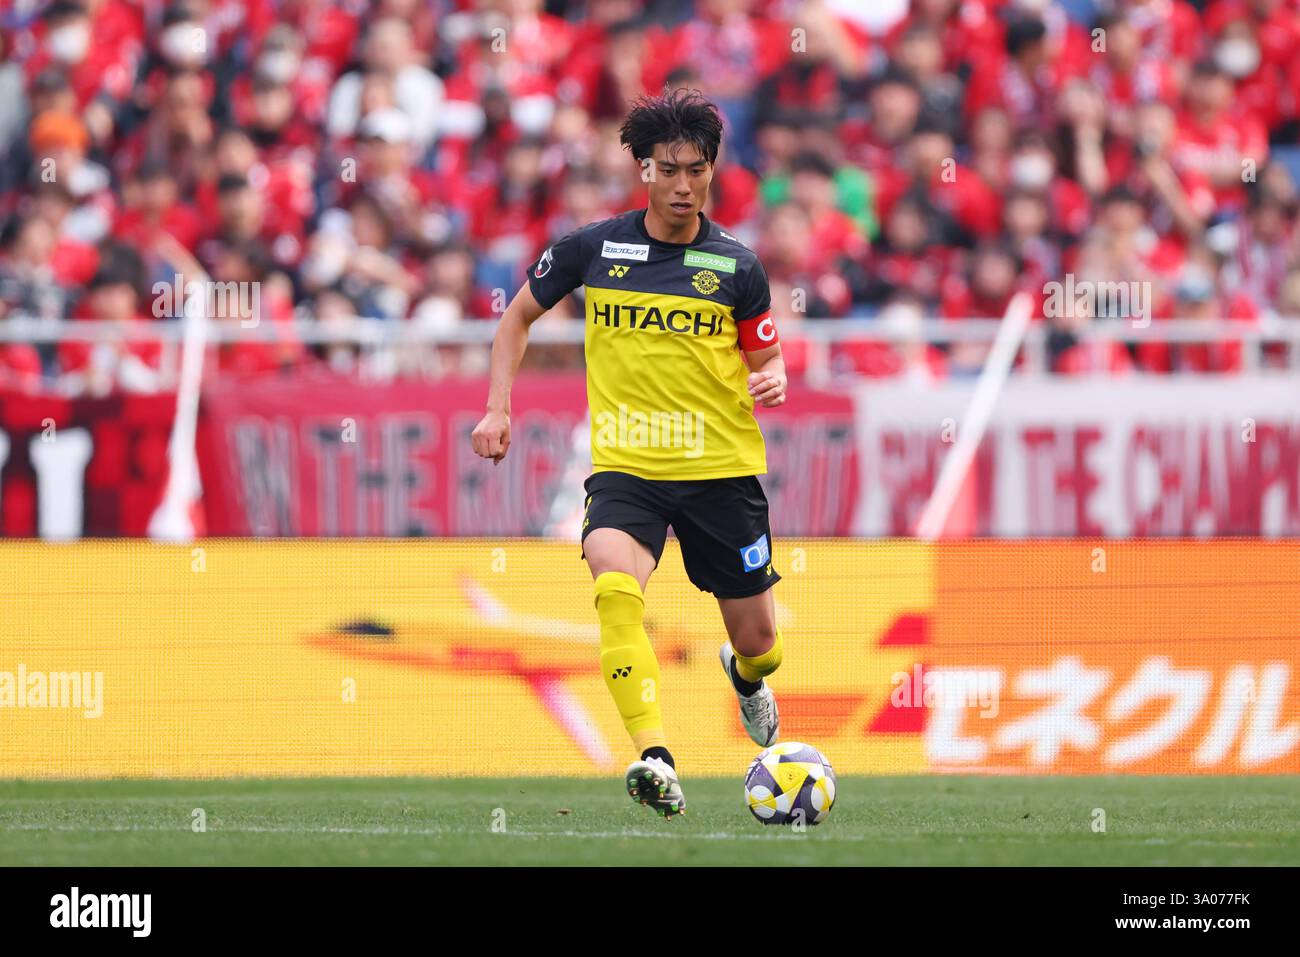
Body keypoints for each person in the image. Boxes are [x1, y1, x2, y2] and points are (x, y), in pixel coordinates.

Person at [470, 89, 786, 818]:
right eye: (669, 169)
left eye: (697, 170)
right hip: (628, 467)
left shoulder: (737, 268)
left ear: (712, 170)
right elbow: (515, 318)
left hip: (719, 471)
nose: (683, 185)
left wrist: (774, 376)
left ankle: (746, 679)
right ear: (643, 168)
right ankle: (655, 755)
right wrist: (498, 405)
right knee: (614, 582)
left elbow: (767, 357)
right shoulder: (593, 249)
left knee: (762, 641)